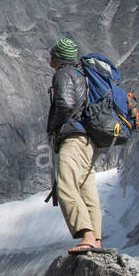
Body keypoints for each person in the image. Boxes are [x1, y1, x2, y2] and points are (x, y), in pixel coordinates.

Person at [45, 37, 103, 253]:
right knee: (87, 189)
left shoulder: (63, 74)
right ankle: (95, 239)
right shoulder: (83, 75)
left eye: (52, 54)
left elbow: (66, 104)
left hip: (74, 138)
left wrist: (53, 127)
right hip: (90, 140)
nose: (49, 58)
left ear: (58, 58)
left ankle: (85, 235)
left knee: (66, 184)